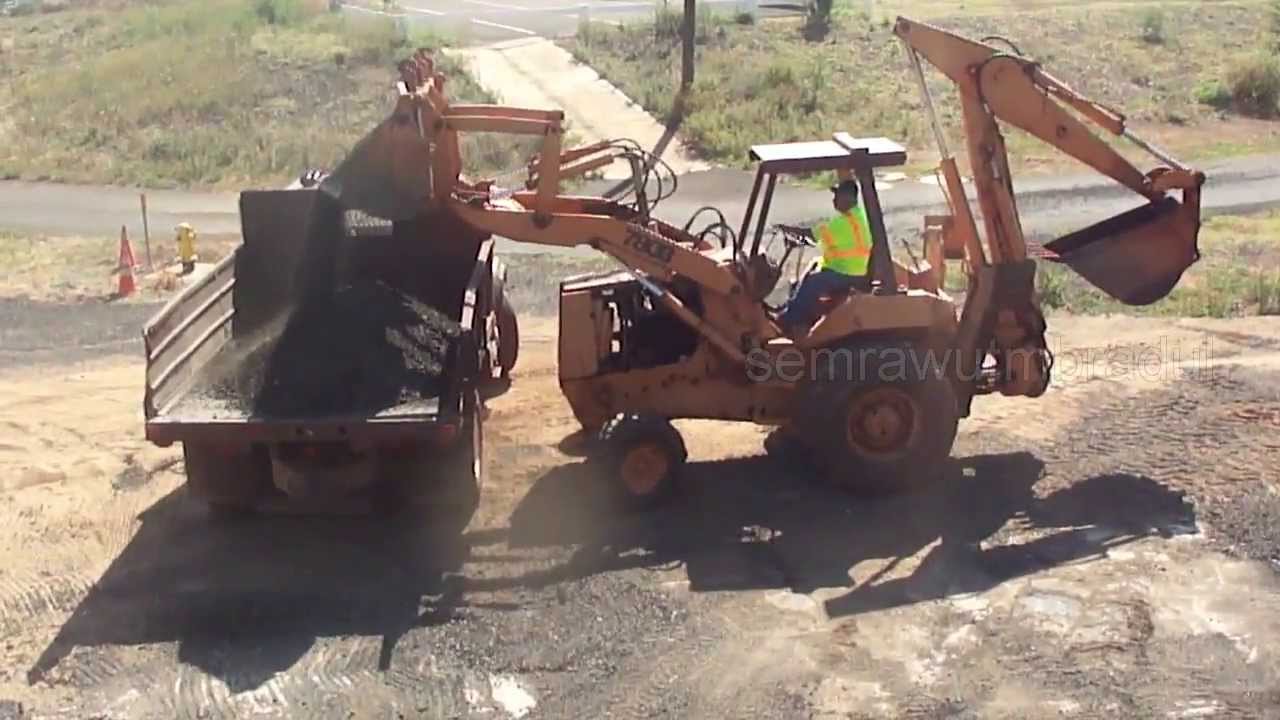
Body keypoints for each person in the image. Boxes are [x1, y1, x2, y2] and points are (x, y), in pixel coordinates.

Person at [776, 179, 874, 336]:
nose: (834, 200)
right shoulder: (857, 216)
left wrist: (787, 228)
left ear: (848, 198)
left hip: (846, 273)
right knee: (811, 269)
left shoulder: (844, 223)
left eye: (837, 196)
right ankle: (795, 315)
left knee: (812, 282)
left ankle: (789, 321)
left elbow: (813, 234)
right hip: (850, 268)